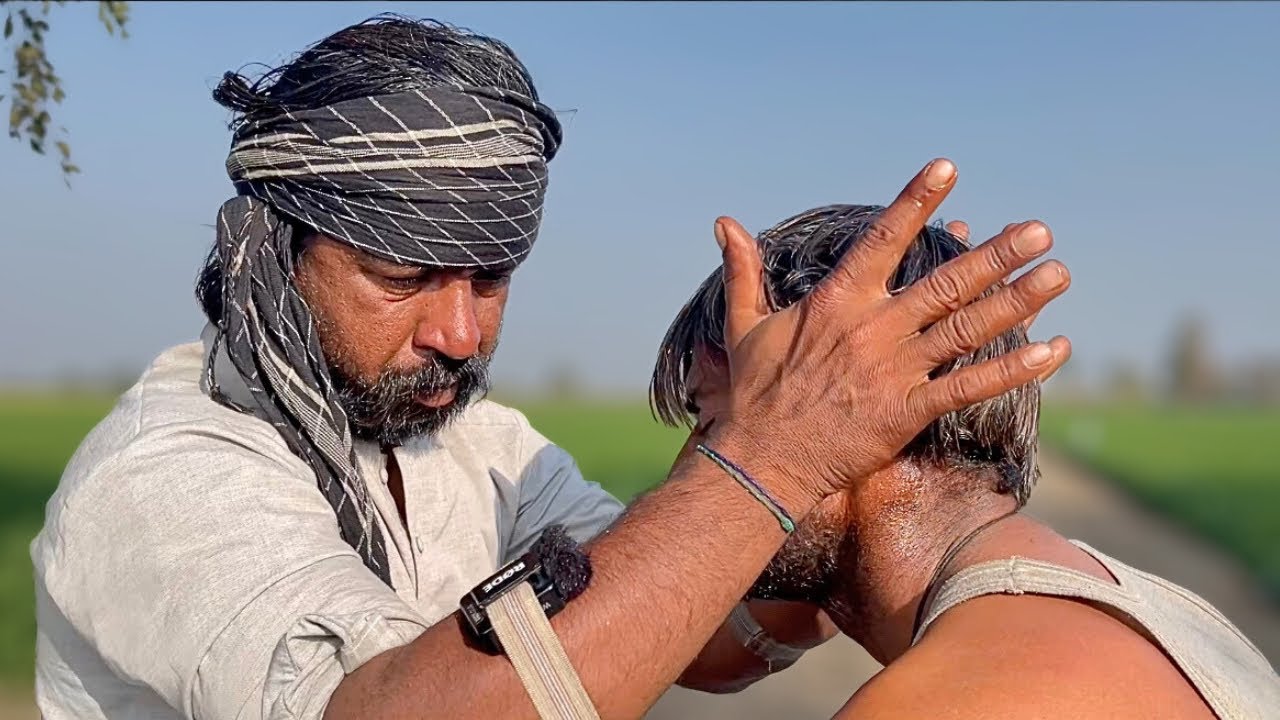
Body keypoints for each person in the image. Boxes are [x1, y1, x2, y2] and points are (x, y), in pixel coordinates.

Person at [29, 15, 1070, 720]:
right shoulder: (168, 472)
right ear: (273, 255)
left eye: (490, 280)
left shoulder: (471, 445)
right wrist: (774, 456)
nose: (460, 332)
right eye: (402, 277)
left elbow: (666, 621)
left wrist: (846, 499)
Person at [650, 204, 1280, 719]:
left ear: (855, 414)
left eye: (715, 420)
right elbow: (682, 645)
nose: (694, 465)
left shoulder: (951, 702)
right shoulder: (1148, 614)